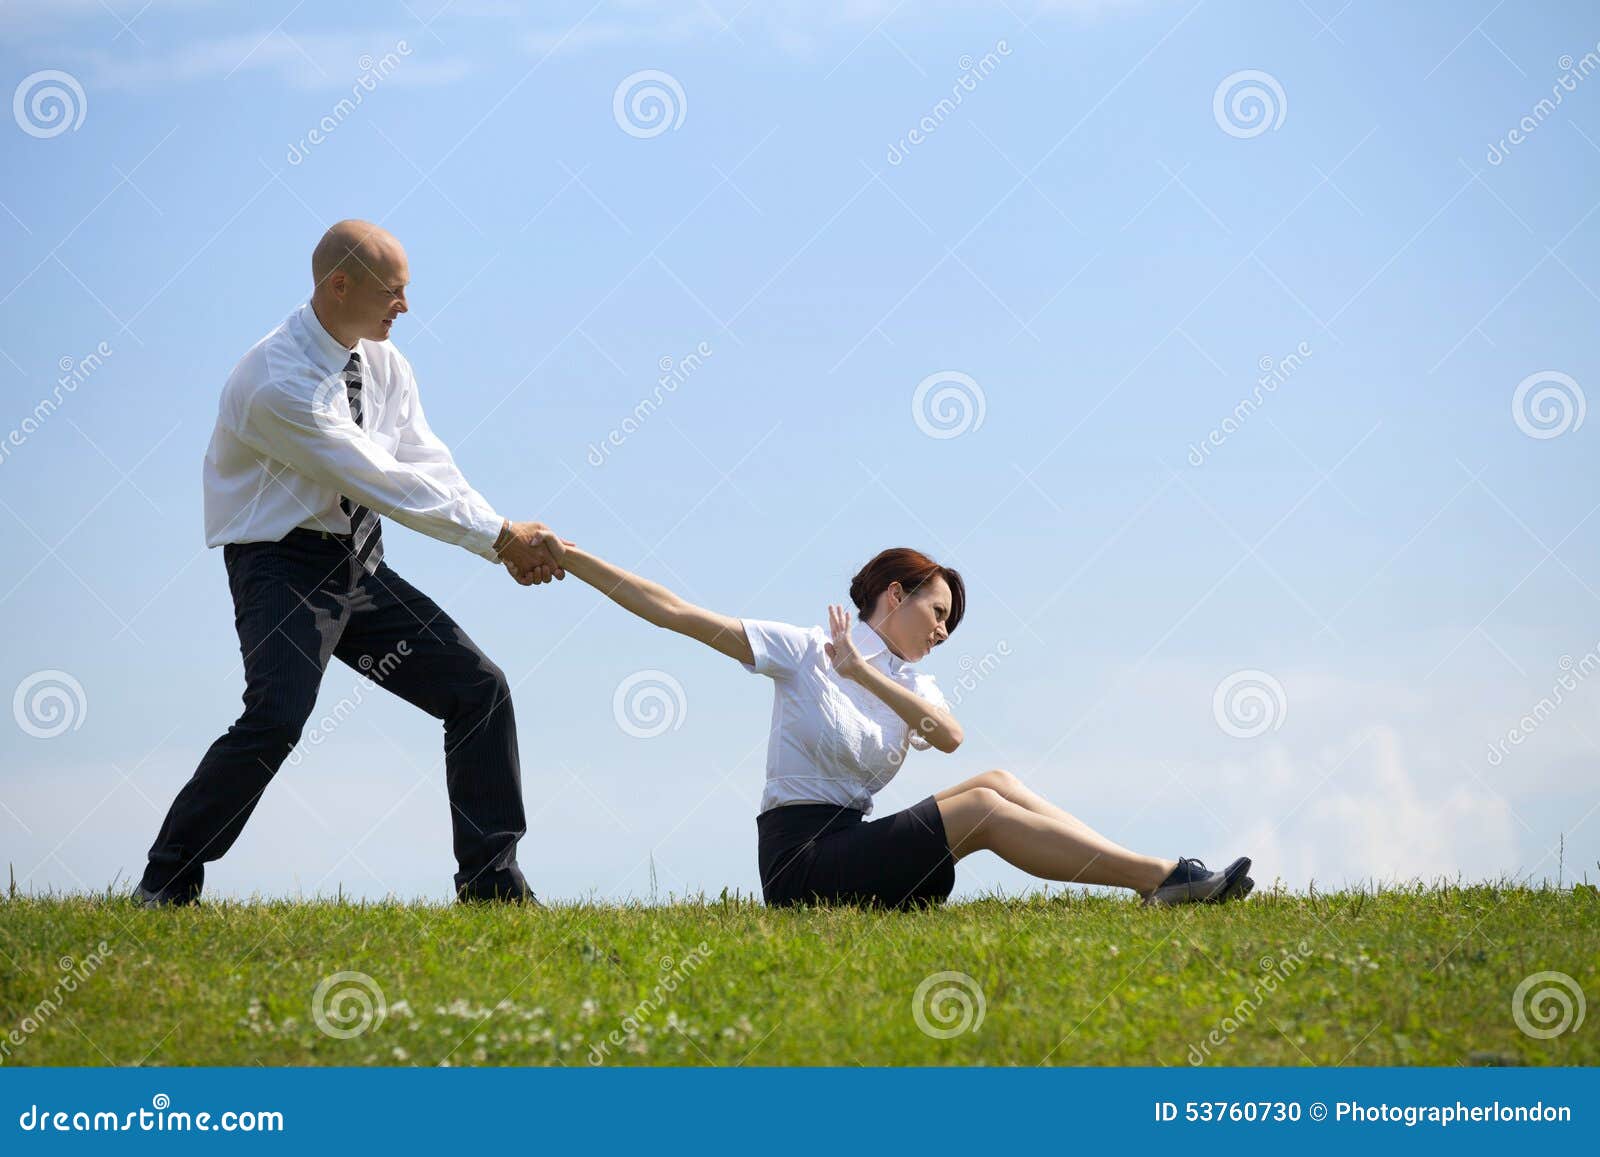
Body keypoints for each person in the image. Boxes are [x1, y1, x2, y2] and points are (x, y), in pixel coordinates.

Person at [135, 220, 564, 907]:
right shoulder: (277, 382)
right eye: (393, 291)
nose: (405, 306)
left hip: (358, 564)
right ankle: (166, 881)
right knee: (275, 716)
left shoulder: (387, 363)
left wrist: (498, 536)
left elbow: (424, 462)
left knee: (479, 690)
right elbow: (377, 480)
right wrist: (498, 537)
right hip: (281, 565)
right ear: (340, 285)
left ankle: (491, 883)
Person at [528, 537, 1254, 908]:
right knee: (980, 808)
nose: (942, 632)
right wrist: (574, 558)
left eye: (949, 626)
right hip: (801, 862)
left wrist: (865, 672)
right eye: (937, 614)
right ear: (896, 595)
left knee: (993, 779)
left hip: (861, 848)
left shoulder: (909, 682)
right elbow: (678, 612)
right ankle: (1163, 879)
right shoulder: (805, 649)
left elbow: (951, 737)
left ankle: (1153, 875)